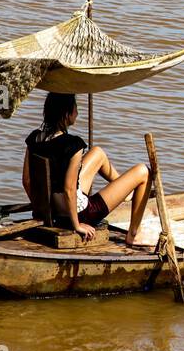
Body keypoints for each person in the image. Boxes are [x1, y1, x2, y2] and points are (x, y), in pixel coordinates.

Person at [22, 92, 152, 245]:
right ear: (66, 114)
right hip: (81, 213)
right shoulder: (73, 145)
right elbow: (69, 189)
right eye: (75, 108)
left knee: (97, 152)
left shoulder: (35, 138)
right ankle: (133, 235)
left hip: (52, 208)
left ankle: (127, 193)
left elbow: (27, 181)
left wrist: (43, 211)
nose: (77, 112)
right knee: (144, 171)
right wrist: (76, 225)